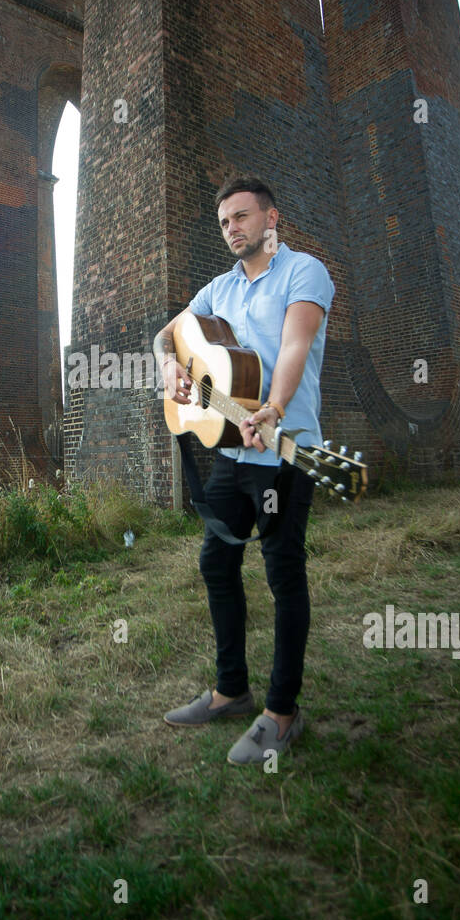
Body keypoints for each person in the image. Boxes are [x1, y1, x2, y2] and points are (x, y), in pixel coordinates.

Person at [152, 176, 335, 763]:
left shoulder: (305, 272)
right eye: (225, 220)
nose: (232, 227)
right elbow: (167, 335)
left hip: (284, 450)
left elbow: (294, 348)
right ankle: (230, 689)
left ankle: (282, 713)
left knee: (283, 574)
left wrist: (274, 408)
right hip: (232, 449)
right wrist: (168, 369)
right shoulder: (219, 289)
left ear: (270, 218)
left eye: (242, 216)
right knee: (216, 561)